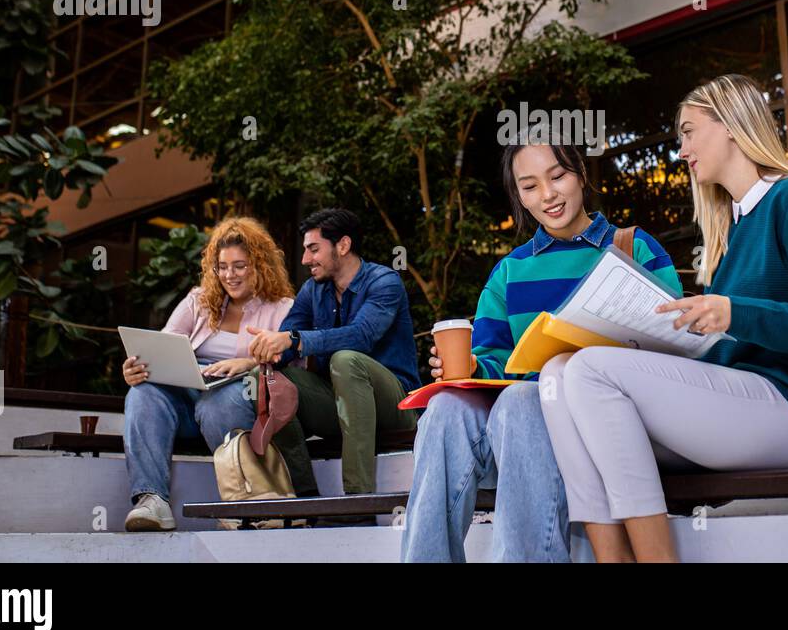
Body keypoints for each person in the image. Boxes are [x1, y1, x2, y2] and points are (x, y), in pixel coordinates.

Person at [540, 73, 788, 562]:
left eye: (688, 131)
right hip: (747, 411)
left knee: (590, 370)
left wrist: (733, 312)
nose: (681, 149)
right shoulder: (735, 229)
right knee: (556, 376)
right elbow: (729, 350)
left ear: (731, 126)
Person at [400, 140, 683, 562]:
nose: (548, 195)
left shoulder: (632, 248)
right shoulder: (510, 272)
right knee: (444, 409)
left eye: (558, 176)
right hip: (520, 441)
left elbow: (673, 342)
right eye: (530, 186)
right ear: (520, 197)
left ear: (581, 176)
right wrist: (474, 365)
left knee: (522, 399)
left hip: (603, 427)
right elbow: (495, 359)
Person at [245, 208, 421, 519]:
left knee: (346, 359)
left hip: (397, 407)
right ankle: (305, 499)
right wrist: (269, 349)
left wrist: (294, 339)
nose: (305, 259)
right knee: (276, 379)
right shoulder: (314, 290)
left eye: (313, 249)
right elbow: (288, 338)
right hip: (342, 405)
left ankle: (357, 501)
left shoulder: (385, 281)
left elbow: (362, 336)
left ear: (342, 245)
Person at [122, 216, 295, 532]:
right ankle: (152, 501)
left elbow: (293, 363)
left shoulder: (282, 308)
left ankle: (239, 502)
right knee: (143, 392)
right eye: (223, 266)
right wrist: (138, 366)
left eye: (240, 266)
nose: (230, 275)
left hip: (239, 398)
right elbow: (165, 342)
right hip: (189, 398)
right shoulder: (198, 301)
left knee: (218, 403)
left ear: (260, 264)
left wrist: (248, 364)